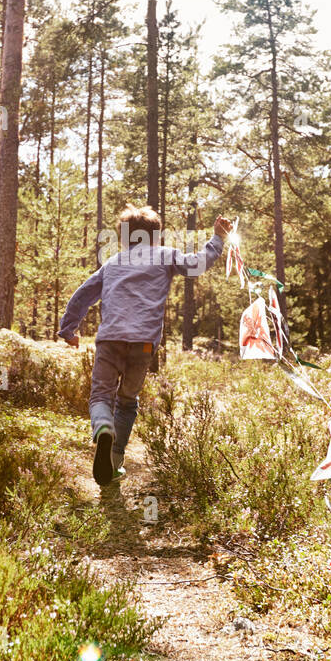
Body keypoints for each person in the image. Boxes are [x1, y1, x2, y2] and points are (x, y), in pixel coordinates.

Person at [58, 205, 234, 485]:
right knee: (127, 402)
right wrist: (218, 238)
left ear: (125, 238)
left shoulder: (113, 262)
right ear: (156, 236)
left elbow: (82, 295)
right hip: (143, 344)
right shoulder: (165, 256)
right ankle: (114, 462)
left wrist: (68, 329)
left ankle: (103, 428)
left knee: (101, 396)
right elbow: (197, 263)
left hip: (110, 340)